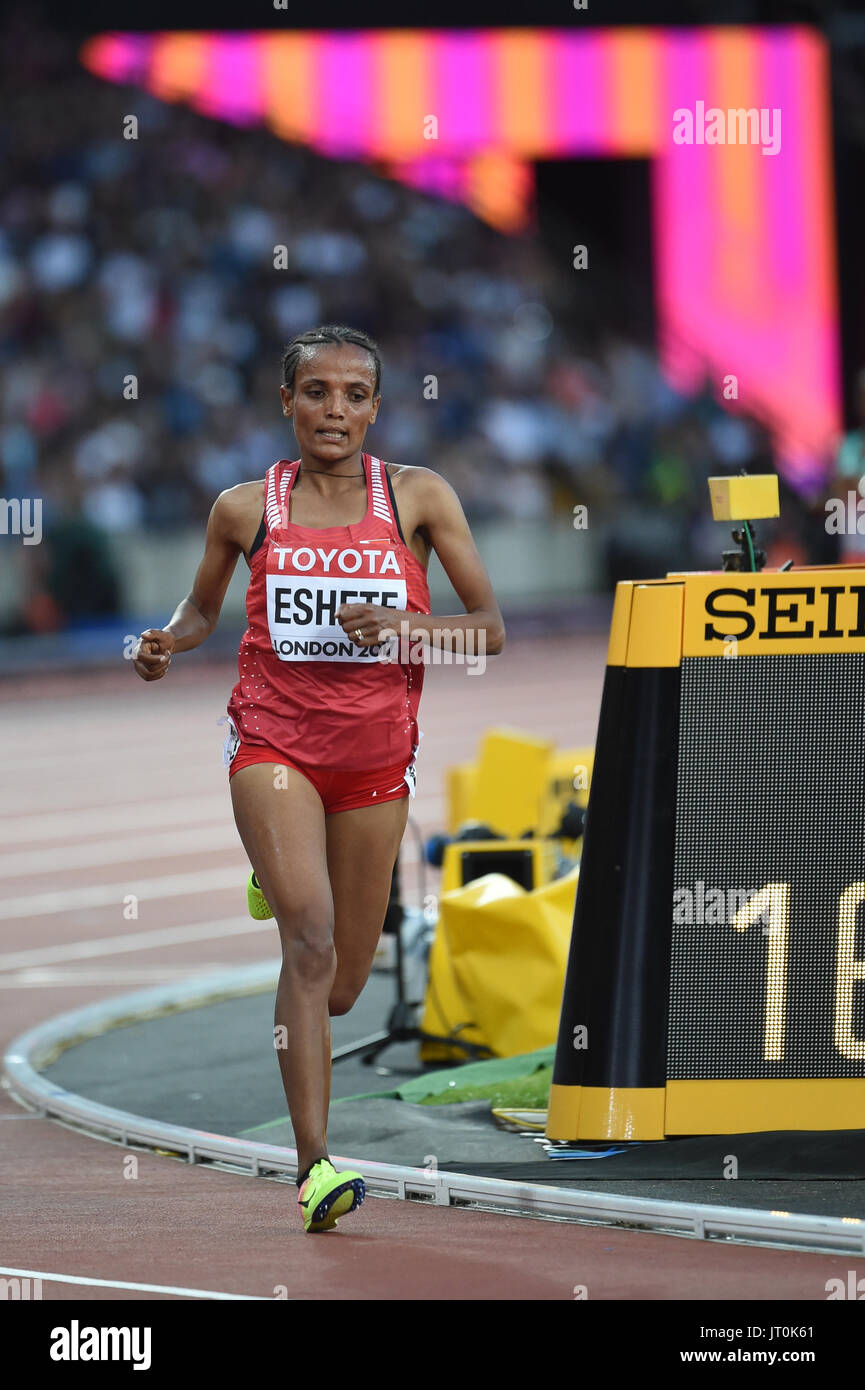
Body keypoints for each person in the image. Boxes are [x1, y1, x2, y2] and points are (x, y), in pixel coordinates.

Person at [133, 324, 505, 1232]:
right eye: (316, 393)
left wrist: (407, 627)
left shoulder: (416, 498)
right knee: (306, 942)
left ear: (377, 407)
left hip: (376, 759)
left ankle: (280, 873)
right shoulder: (243, 506)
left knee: (340, 983)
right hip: (274, 743)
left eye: (352, 395)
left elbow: (487, 629)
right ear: (286, 402)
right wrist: (169, 641)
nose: (333, 410)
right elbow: (202, 606)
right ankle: (315, 1166)